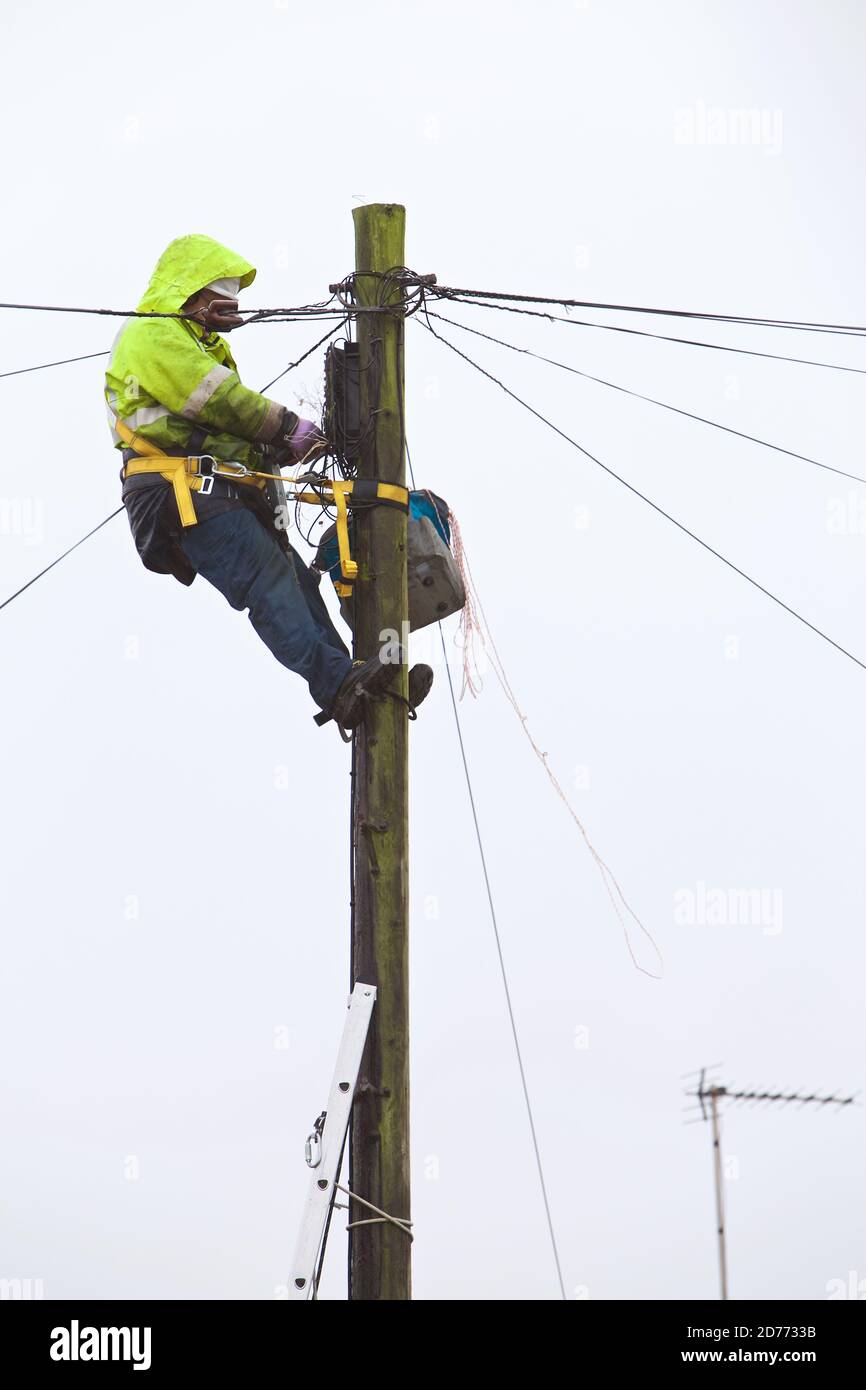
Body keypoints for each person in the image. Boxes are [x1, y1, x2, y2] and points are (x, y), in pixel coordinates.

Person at [104, 234, 432, 730]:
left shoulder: (197, 346)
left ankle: (359, 681)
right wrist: (285, 427)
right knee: (270, 581)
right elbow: (219, 403)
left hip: (210, 488)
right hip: (180, 492)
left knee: (296, 580)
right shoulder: (153, 335)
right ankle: (339, 683)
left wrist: (284, 445)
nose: (228, 315)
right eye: (219, 303)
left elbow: (222, 434)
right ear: (187, 293)